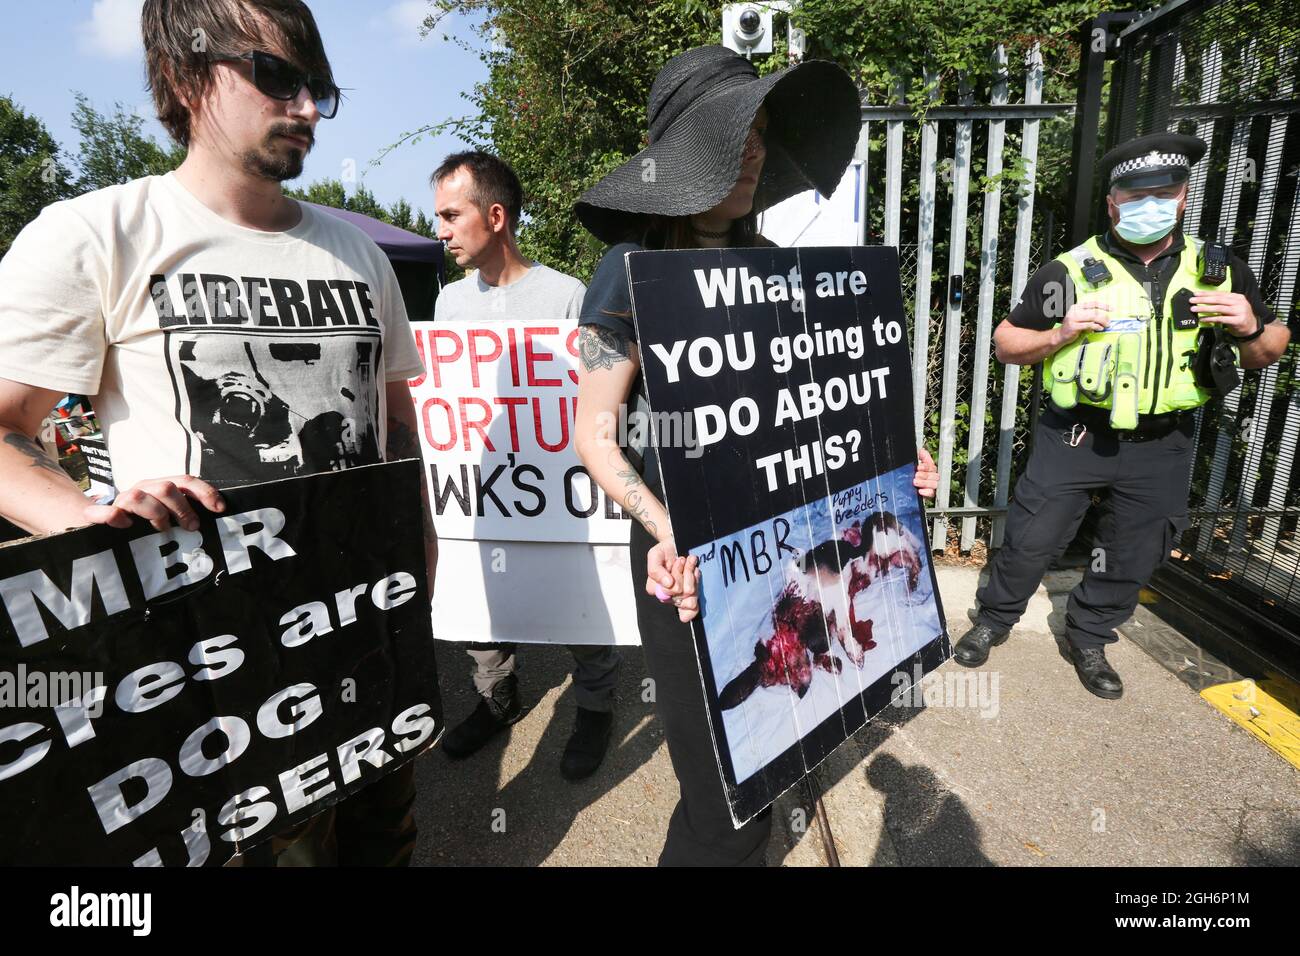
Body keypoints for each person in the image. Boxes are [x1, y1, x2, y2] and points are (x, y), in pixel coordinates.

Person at [0, 0, 436, 865]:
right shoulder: (97, 235)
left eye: (320, 88)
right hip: (209, 677)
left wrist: (419, 545)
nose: (308, 109)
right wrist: (91, 527)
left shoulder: (361, 256)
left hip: (367, 640)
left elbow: (392, 420)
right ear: (183, 76)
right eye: (278, 78)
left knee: (382, 845)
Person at [572, 45, 940, 866]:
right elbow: (593, 431)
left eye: (763, 132)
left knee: (759, 771)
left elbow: (814, 409)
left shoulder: (777, 267)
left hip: (785, 559)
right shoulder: (628, 270)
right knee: (727, 806)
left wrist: (892, 462)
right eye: (734, 133)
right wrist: (663, 528)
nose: (756, 151)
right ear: (681, 155)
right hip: (688, 566)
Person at [955, 132, 1290, 698]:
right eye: (1135, 196)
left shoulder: (1217, 271)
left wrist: (1250, 326)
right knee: (1032, 537)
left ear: (1184, 195)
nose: (1149, 205)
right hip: (1078, 435)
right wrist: (1061, 332)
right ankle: (993, 620)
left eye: (1164, 192)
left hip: (1163, 442)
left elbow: (1269, 349)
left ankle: (1089, 635)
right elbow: (1008, 343)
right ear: (1113, 202)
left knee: (1133, 546)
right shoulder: (1074, 272)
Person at [431, 150, 622, 780]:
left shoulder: (569, 296)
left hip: (559, 494)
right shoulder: (450, 305)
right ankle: (497, 701)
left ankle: (595, 706)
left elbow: (598, 398)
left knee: (581, 602)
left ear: (495, 215)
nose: (441, 230)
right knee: (481, 608)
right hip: (484, 491)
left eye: (450, 215)